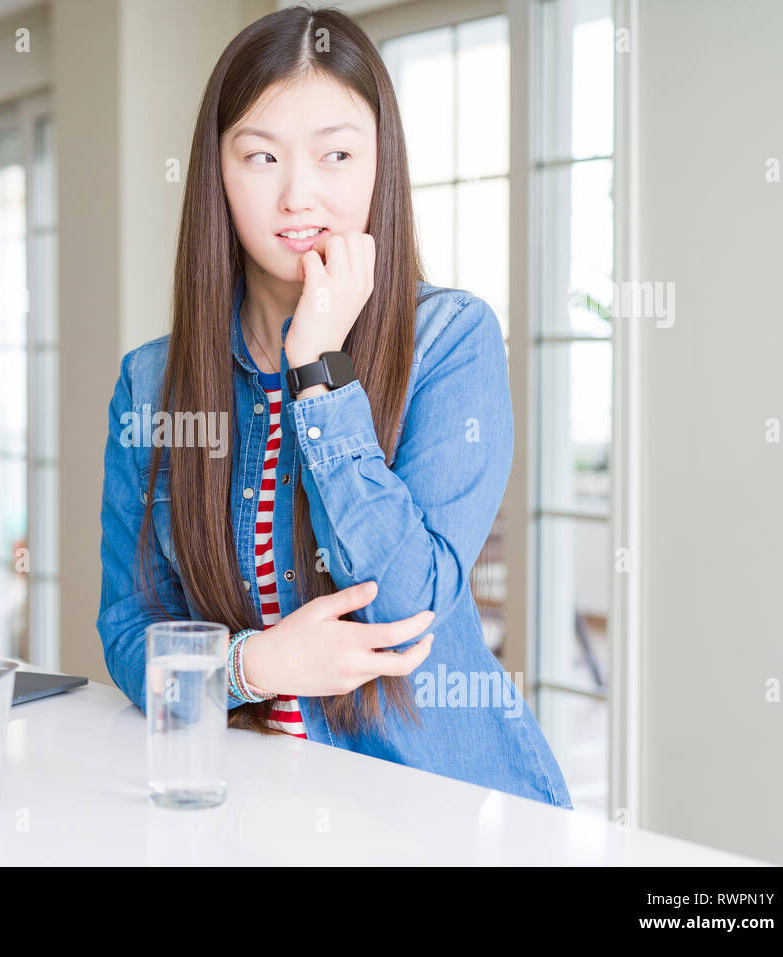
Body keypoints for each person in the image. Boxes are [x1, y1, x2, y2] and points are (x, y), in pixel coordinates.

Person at [97, 3, 572, 809]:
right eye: (261, 156)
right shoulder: (153, 384)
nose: (297, 194)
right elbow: (131, 625)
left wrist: (320, 369)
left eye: (337, 154)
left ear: (381, 166)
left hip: (448, 813)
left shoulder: (451, 341)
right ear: (216, 169)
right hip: (257, 808)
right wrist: (256, 665)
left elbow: (405, 611)